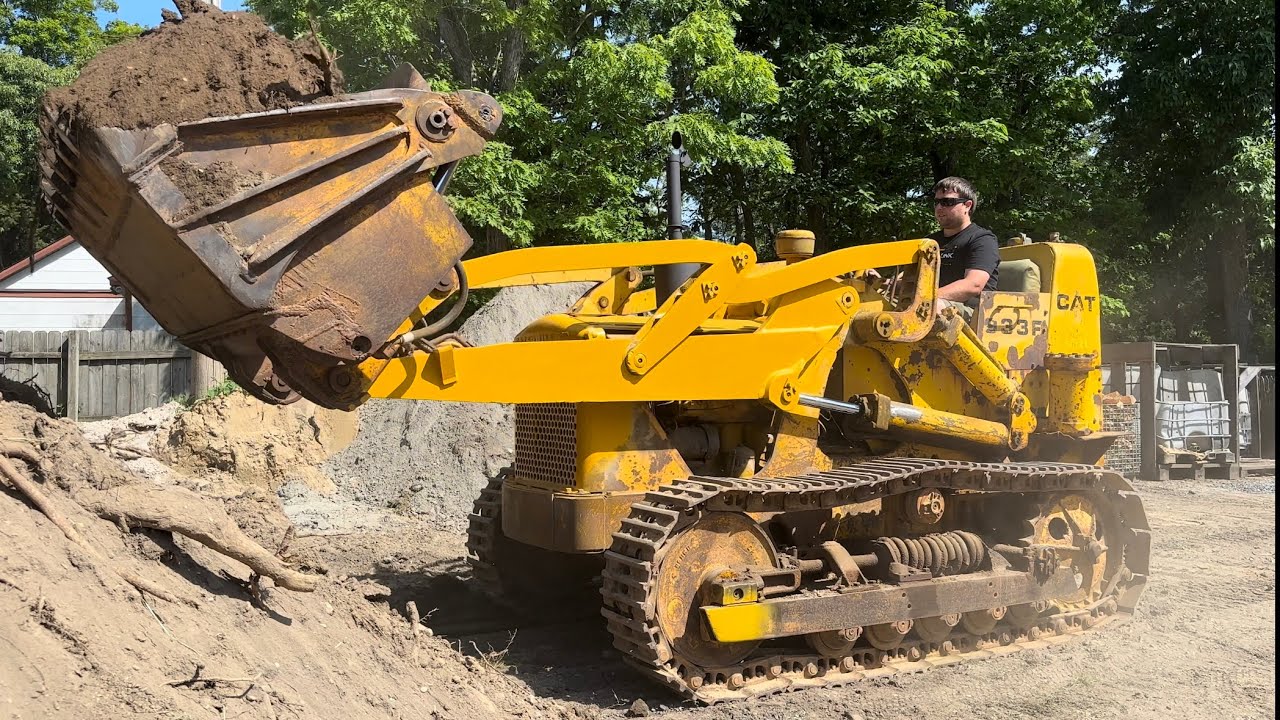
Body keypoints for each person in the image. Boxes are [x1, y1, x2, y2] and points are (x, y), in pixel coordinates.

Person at [928, 177, 998, 319]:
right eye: (937, 202)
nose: (939, 207)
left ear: (967, 205)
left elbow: (973, 285)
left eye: (947, 202)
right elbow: (909, 279)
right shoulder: (930, 241)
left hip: (974, 313)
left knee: (930, 308)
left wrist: (925, 298)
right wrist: (882, 283)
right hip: (932, 302)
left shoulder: (982, 239)